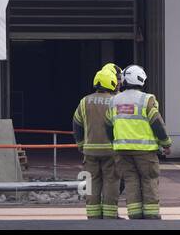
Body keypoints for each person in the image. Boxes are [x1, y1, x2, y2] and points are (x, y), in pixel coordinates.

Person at [108, 64, 171, 220]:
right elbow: (157, 123)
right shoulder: (146, 100)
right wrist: (166, 143)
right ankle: (151, 216)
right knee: (149, 180)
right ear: (141, 80)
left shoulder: (114, 101)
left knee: (131, 181)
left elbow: (108, 126)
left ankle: (135, 215)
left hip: (122, 151)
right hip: (145, 151)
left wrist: (115, 142)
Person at [72, 63, 119, 220]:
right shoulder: (115, 101)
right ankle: (110, 215)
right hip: (111, 151)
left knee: (91, 183)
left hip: (90, 151)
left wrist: (80, 144)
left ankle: (93, 215)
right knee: (111, 181)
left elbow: (77, 124)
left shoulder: (84, 102)